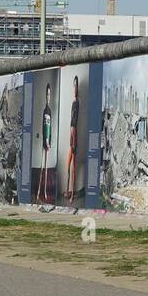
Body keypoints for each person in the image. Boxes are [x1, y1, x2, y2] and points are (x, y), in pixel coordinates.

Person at [65, 75, 80, 203]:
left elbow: (74, 122)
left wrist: (73, 140)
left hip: (74, 136)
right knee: (67, 166)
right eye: (73, 86)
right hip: (71, 134)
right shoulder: (73, 103)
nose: (74, 88)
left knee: (74, 168)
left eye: (76, 86)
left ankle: (71, 194)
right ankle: (67, 190)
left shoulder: (77, 103)